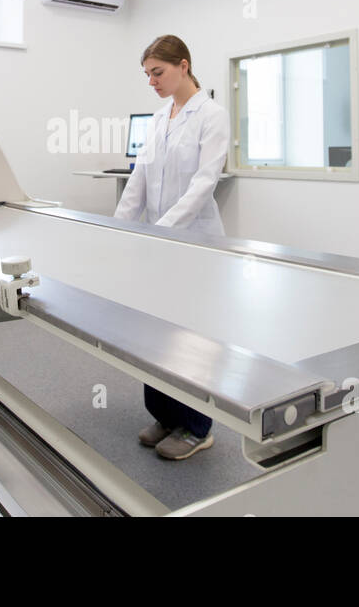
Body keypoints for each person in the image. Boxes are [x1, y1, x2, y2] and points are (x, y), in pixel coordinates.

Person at [115, 34, 229, 460]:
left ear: (183, 65)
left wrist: (162, 230)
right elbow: (139, 179)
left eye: (157, 72)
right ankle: (164, 415)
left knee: (190, 336)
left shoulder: (212, 115)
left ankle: (197, 427)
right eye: (147, 75)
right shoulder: (160, 117)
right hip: (158, 241)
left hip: (194, 242)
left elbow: (203, 184)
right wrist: (118, 229)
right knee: (154, 332)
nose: (152, 81)